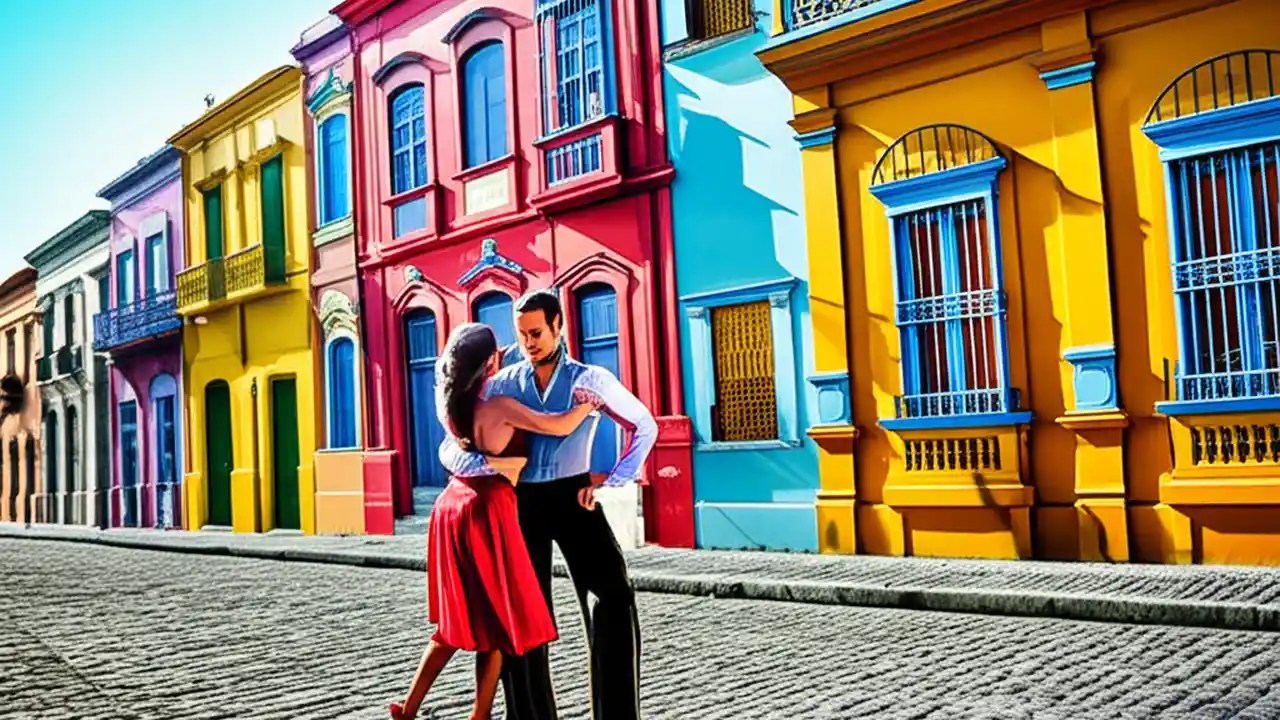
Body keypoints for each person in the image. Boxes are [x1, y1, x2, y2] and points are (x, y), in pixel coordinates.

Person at [438, 289, 659, 720]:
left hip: (575, 498)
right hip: (518, 504)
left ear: (559, 326)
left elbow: (644, 425)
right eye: (521, 335)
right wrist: (482, 464)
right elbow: (453, 441)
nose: (529, 342)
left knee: (611, 597)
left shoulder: (589, 380)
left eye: (537, 332)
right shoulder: (501, 384)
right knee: (521, 614)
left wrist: (612, 482)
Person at [390, 323, 603, 720]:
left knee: (455, 623)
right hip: (487, 510)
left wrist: (495, 462)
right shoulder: (499, 407)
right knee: (498, 622)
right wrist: (589, 405)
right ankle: (480, 712)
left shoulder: (454, 407)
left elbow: (454, 453)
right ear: (490, 361)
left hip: (452, 505)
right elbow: (557, 426)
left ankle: (410, 707)